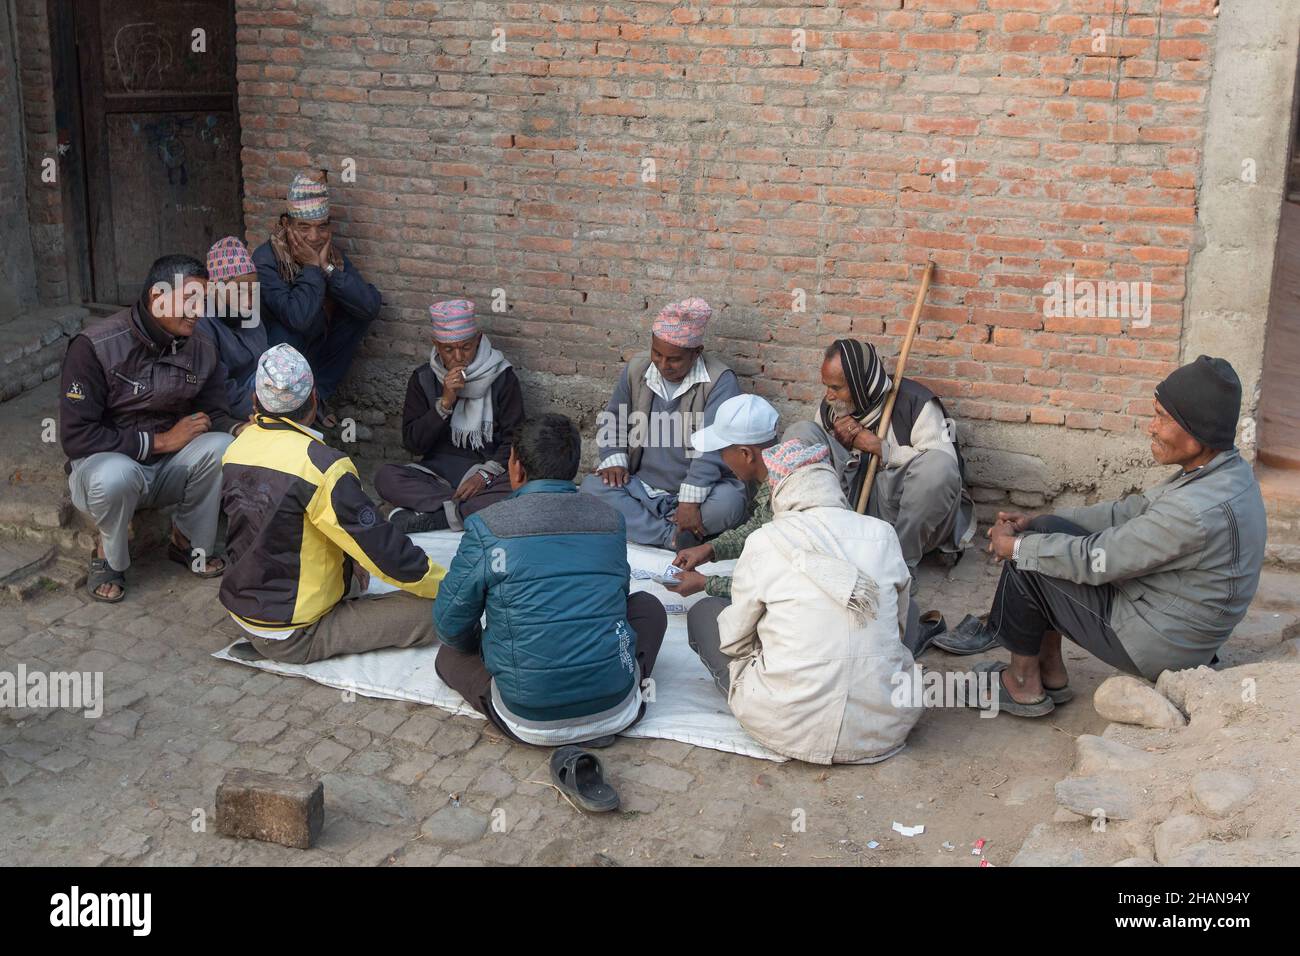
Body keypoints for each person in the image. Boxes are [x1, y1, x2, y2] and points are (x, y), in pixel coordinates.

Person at [934, 356, 1267, 719]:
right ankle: (1051, 674)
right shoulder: (1228, 473)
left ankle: (1022, 683)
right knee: (1042, 536)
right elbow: (1130, 511)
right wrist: (1040, 519)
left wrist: (1013, 546)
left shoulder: (1194, 510)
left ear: (1198, 430)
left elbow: (1097, 561)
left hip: (1165, 644)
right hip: (1185, 631)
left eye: (1162, 417)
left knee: (1029, 561)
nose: (1150, 428)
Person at [433, 413, 669, 748]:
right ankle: (596, 709)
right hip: (614, 707)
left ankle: (551, 713)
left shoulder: (487, 526)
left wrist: (487, 639)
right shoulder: (610, 520)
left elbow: (449, 624)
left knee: (448, 656)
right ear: (573, 467)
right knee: (648, 608)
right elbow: (615, 599)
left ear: (516, 468)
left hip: (528, 716)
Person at [691, 439, 920, 764]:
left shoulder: (765, 540)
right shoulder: (883, 534)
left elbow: (735, 640)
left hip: (786, 729)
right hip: (884, 729)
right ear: (830, 483)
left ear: (779, 489)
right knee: (908, 616)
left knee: (704, 613)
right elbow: (896, 627)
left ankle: (764, 702)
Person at [218, 345, 446, 664]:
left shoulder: (236, 449)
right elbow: (386, 553)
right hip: (294, 634)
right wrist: (450, 586)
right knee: (443, 612)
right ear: (314, 400)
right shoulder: (322, 467)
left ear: (255, 402)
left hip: (244, 611)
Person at [60, 254, 244, 603]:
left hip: (166, 469)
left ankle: (187, 541)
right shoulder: (94, 347)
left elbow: (214, 413)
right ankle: (108, 557)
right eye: (189, 301)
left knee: (222, 446)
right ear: (158, 297)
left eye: (202, 302)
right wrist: (160, 441)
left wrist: (238, 430)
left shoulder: (202, 346)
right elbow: (76, 436)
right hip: (104, 469)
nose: (197, 312)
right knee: (115, 475)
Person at [786, 339, 974, 588]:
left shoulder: (917, 404)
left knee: (938, 468)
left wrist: (881, 449)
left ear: (861, 385)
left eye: (837, 387)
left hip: (899, 511)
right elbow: (823, 459)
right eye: (827, 386)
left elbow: (946, 463)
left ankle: (899, 566)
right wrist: (840, 444)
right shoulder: (832, 408)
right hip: (849, 506)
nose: (828, 395)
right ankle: (810, 541)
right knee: (800, 433)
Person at [580, 297, 747, 550]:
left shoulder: (719, 382)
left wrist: (690, 502)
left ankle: (649, 525)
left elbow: (713, 447)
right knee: (592, 487)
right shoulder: (637, 369)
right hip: (642, 486)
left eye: (674, 359)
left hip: (702, 492)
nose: (663, 365)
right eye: (657, 354)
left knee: (731, 502)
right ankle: (671, 536)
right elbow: (614, 417)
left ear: (697, 352)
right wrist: (613, 457)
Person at [376, 299, 525, 533]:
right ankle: (459, 510)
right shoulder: (424, 378)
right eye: (448, 349)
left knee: (519, 486)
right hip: (436, 475)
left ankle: (435, 516)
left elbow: (515, 439)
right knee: (386, 477)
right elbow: (414, 444)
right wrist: (444, 403)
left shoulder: (502, 376)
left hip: (485, 474)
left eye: (466, 347)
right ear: (436, 345)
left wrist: (484, 477)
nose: (458, 357)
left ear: (478, 340)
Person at [253, 169, 381, 424]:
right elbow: (297, 317)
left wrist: (328, 270)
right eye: (304, 227)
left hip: (316, 345)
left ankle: (316, 396)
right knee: (290, 328)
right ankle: (286, 407)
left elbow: (369, 306)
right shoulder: (265, 260)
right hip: (279, 355)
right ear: (288, 225)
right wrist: (312, 269)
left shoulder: (330, 255)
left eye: (322, 227)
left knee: (357, 312)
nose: (314, 237)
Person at [197, 236, 266, 420]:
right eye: (240, 292)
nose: (250, 302)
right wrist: (268, 413)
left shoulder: (250, 313)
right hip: (232, 410)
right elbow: (221, 391)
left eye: (252, 291)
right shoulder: (200, 325)